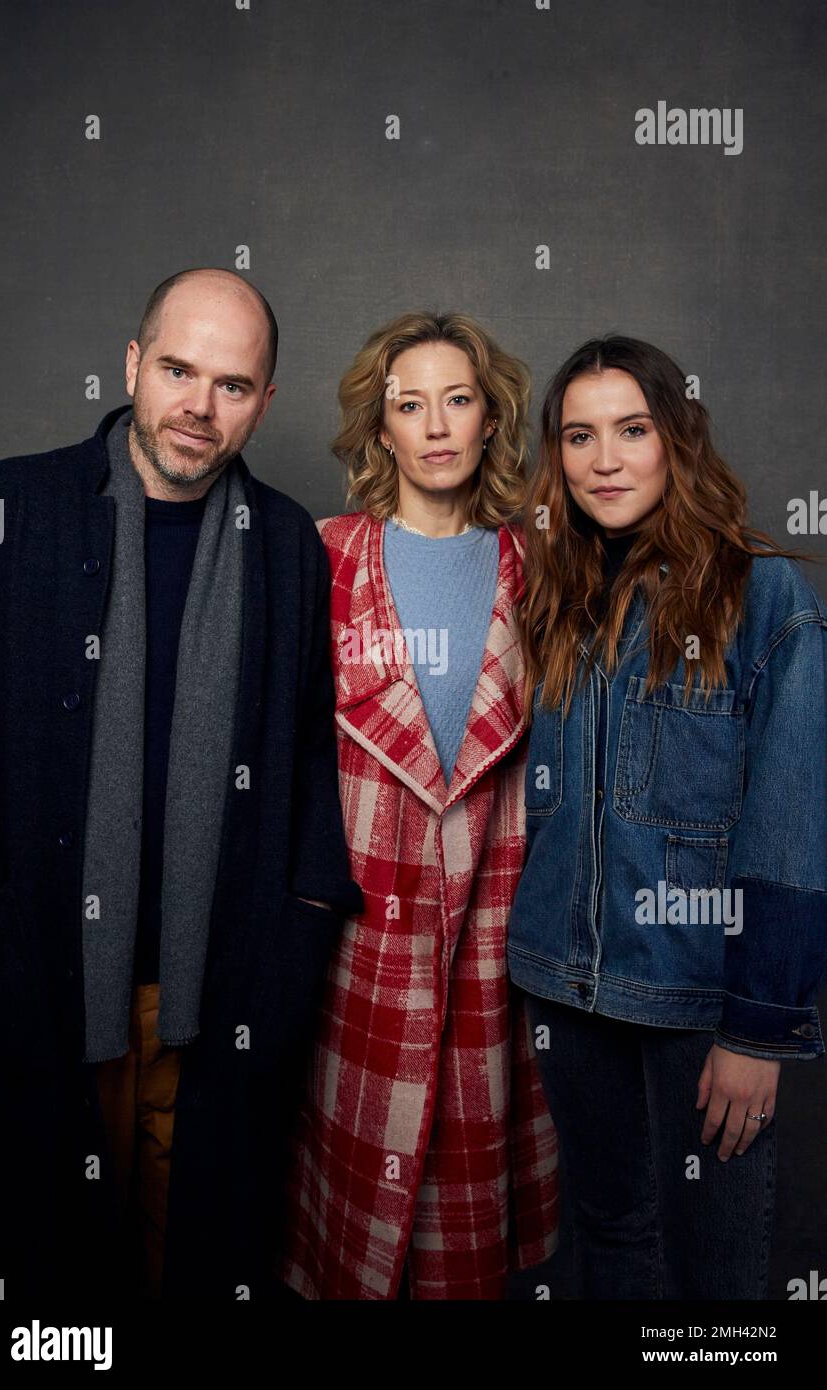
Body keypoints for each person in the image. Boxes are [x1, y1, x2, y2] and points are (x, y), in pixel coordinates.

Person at [0, 267, 362, 1301]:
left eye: (232, 384)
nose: (198, 405)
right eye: (178, 369)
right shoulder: (6, 507)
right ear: (134, 365)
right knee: (46, 1265)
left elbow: (310, 755)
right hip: (37, 983)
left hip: (209, 996)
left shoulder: (282, 543)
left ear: (264, 403)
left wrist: (298, 934)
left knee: (194, 1260)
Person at [508, 333, 827, 1300]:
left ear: (676, 438)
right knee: (610, 1247)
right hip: (566, 988)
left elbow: (793, 833)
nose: (604, 459)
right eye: (578, 435)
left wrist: (758, 1033)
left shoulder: (766, 596)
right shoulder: (552, 596)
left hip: (700, 1003)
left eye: (632, 429)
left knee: (715, 1278)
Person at [278, 311, 559, 1300]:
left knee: (467, 1226)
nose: (435, 424)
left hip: (498, 941)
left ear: (489, 418)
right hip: (357, 943)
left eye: (457, 398)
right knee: (349, 1216)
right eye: (410, 404)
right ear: (379, 429)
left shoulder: (541, 563)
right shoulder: (323, 557)